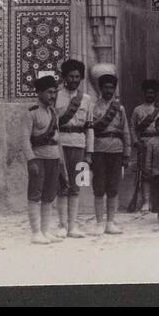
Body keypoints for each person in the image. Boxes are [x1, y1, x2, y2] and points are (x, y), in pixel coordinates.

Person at [88, 63, 131, 236]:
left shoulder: (120, 109)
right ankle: (99, 223)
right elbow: (89, 131)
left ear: (114, 89)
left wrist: (127, 154)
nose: (108, 90)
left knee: (113, 187)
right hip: (99, 150)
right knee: (99, 187)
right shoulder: (93, 107)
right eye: (105, 87)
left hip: (116, 151)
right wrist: (89, 154)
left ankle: (110, 222)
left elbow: (126, 131)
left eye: (111, 88)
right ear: (100, 88)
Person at [22, 73, 64, 244]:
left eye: (54, 92)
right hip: (38, 158)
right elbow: (24, 139)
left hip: (53, 158)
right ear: (39, 93)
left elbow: (57, 138)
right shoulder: (31, 113)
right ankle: (36, 232)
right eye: (49, 92)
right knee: (35, 194)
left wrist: (60, 159)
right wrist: (31, 160)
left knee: (49, 195)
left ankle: (46, 231)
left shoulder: (53, 113)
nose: (52, 96)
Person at [54, 58, 93, 239]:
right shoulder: (56, 96)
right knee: (62, 184)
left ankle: (73, 226)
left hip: (79, 145)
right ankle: (62, 225)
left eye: (78, 76)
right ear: (64, 77)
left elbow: (89, 127)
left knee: (77, 185)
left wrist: (90, 153)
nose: (74, 80)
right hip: (60, 144)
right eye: (71, 76)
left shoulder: (86, 99)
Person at [129, 79, 159, 216]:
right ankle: (146, 201)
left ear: (156, 94)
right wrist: (136, 142)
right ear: (144, 93)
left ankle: (157, 202)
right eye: (148, 93)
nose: (150, 95)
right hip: (145, 143)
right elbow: (132, 128)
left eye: (152, 93)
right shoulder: (137, 110)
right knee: (145, 173)